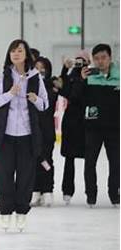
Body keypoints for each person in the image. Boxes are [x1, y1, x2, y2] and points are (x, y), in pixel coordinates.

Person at [0, 39, 48, 232]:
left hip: (27, 135)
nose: (16, 54)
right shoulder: (3, 75)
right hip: (5, 135)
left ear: (26, 54)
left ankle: (22, 212)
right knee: (4, 176)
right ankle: (5, 212)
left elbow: (45, 104)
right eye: (13, 51)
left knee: (26, 177)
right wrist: (9, 94)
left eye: (20, 51)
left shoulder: (35, 76)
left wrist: (36, 99)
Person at [73, 43, 119, 208]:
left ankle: (115, 194)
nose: (100, 61)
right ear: (93, 60)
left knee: (116, 163)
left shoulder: (119, 76)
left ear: (110, 58)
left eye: (103, 57)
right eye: (97, 58)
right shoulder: (88, 77)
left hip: (115, 129)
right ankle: (91, 195)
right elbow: (75, 98)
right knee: (90, 163)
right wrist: (81, 80)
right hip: (93, 128)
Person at [58, 51, 89, 204]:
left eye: (83, 61)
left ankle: (90, 191)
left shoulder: (90, 76)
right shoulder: (70, 77)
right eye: (77, 61)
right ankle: (67, 191)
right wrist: (64, 69)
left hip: (86, 121)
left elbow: (81, 96)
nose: (80, 64)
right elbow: (65, 92)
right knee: (69, 159)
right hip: (70, 121)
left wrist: (83, 79)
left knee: (89, 159)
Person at [30, 56, 58, 207]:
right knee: (34, 160)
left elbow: (49, 105)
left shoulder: (52, 87)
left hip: (47, 131)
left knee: (47, 160)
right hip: (32, 130)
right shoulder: (29, 85)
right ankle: (35, 190)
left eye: (43, 68)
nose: (40, 71)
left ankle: (47, 190)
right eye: (37, 68)